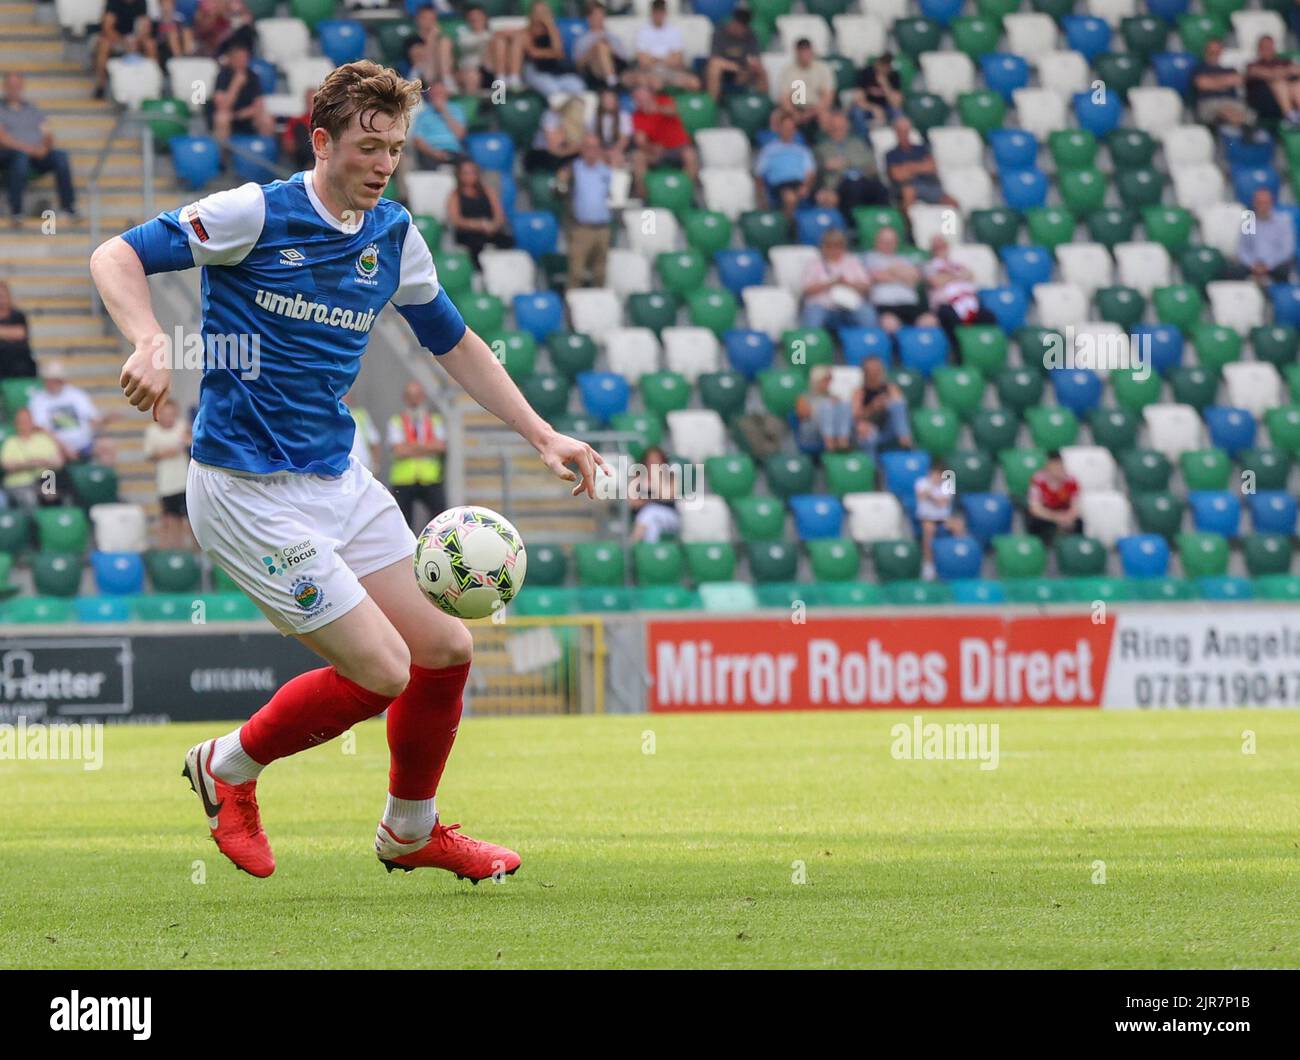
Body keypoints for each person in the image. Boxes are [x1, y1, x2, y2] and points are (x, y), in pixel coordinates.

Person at [90, 60, 604, 882]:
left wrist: (542, 435)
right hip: (243, 489)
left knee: (444, 645)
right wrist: (150, 340)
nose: (383, 164)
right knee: (383, 668)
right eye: (369, 145)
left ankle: (411, 830)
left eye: (396, 149)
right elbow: (114, 255)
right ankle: (227, 768)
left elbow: (457, 344)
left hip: (337, 477)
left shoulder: (393, 234)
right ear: (322, 140)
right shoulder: (254, 212)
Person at [0, 72, 78, 227]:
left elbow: (47, 133)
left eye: (17, 85)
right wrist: (29, 149)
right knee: (19, 158)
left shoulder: (32, 109)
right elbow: (3, 138)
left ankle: (68, 208)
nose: (14, 89)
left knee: (60, 157)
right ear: (5, 87)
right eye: (11, 86)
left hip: (35, 154)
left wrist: (44, 148)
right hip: (10, 154)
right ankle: (17, 211)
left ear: (22, 87)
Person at [387, 381, 447, 532]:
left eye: (417, 396)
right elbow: (399, 450)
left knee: (440, 521)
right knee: (403, 524)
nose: (414, 401)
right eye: (410, 396)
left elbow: (440, 447)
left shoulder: (434, 420)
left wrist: (411, 447)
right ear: (405, 398)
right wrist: (427, 447)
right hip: (404, 480)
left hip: (430, 478)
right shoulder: (396, 421)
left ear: (423, 398)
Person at [814, 107, 888, 222]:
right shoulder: (821, 149)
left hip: (864, 179)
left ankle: (883, 221)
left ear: (847, 127)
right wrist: (826, 166)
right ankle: (856, 225)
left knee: (881, 189)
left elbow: (872, 165)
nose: (839, 130)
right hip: (839, 184)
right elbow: (816, 170)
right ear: (829, 128)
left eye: (842, 126)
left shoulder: (858, 144)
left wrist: (847, 163)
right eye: (835, 127)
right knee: (852, 187)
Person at [925, 234, 998, 346]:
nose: (940, 249)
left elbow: (970, 275)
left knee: (988, 316)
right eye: (937, 247)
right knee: (949, 319)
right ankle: (958, 354)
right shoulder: (930, 266)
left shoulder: (957, 265)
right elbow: (936, 281)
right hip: (947, 305)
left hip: (969, 302)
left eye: (942, 246)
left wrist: (948, 276)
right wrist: (957, 276)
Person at [800, 227, 877, 330]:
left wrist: (847, 283)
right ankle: (811, 343)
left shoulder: (853, 261)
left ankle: (869, 342)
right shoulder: (814, 264)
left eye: (837, 246)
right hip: (822, 305)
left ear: (843, 247)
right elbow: (806, 290)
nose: (833, 249)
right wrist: (830, 283)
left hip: (850, 305)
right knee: (813, 316)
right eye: (829, 246)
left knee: (867, 314)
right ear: (823, 247)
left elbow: (866, 286)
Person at [631, 83, 699, 198]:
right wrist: (651, 148)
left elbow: (674, 110)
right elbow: (640, 140)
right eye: (637, 98)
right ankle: (645, 196)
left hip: (678, 148)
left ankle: (686, 193)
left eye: (642, 97)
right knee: (638, 157)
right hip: (658, 151)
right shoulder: (637, 116)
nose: (640, 100)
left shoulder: (664, 100)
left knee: (690, 155)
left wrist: (655, 109)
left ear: (650, 95)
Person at [564, 134, 614, 287]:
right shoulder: (573, 169)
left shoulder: (607, 172)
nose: (591, 151)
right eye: (587, 147)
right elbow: (559, 191)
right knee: (576, 272)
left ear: (600, 150)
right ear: (582, 149)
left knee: (600, 273)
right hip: (581, 228)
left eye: (595, 147)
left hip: (603, 228)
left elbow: (614, 196)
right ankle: (572, 308)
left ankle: (598, 307)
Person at [28, 360, 103, 463]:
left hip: (84, 442)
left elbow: (93, 419)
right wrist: (63, 447)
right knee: (52, 459)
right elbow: (41, 428)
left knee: (106, 448)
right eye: (48, 380)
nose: (50, 383)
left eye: (53, 380)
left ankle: (102, 477)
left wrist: (87, 436)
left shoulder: (77, 394)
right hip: (55, 446)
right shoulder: (38, 399)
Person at [864, 226, 936, 331]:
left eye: (891, 241)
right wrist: (901, 274)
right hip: (885, 305)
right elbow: (877, 276)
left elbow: (915, 277)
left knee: (930, 321)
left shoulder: (904, 259)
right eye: (885, 241)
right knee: (890, 324)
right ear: (877, 241)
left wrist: (889, 271)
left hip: (909, 304)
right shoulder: (870, 257)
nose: (888, 244)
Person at [143, 397, 192, 549]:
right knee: (171, 522)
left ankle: (197, 559)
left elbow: (189, 442)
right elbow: (151, 455)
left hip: (184, 482)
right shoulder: (152, 431)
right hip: (166, 484)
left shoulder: (182, 426)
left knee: (191, 523)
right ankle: (176, 554)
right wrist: (170, 452)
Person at [753, 111, 815, 222]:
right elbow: (759, 173)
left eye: (791, 128)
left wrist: (806, 186)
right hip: (778, 185)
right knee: (790, 198)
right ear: (779, 129)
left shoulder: (802, 150)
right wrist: (761, 194)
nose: (788, 131)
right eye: (785, 128)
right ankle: (788, 226)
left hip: (798, 184)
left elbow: (810, 172)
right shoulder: (769, 150)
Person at [208, 39, 274, 141]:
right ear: (231, 59)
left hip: (245, 116)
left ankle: (265, 151)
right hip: (229, 116)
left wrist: (241, 115)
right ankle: (223, 155)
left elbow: (259, 104)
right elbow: (222, 106)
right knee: (222, 118)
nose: (243, 61)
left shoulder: (252, 76)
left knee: (266, 119)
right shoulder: (223, 76)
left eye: (245, 58)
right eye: (239, 58)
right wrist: (236, 85)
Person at [885, 115, 955, 212]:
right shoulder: (891, 154)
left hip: (928, 185)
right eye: (900, 131)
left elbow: (932, 168)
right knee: (908, 192)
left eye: (906, 131)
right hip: (908, 187)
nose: (903, 134)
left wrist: (909, 167)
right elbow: (897, 175)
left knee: (952, 201)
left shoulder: (921, 149)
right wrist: (920, 167)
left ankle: (951, 226)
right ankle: (908, 226)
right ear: (896, 133)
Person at [448, 157, 512, 262]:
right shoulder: (455, 196)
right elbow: (456, 220)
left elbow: (499, 213)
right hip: (468, 232)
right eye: (466, 173)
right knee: (474, 244)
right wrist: (478, 225)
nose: (470, 176)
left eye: (473, 172)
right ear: (459, 175)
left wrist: (494, 225)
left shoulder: (488, 191)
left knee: (507, 240)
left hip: (489, 229)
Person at [0, 407, 63, 508]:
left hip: (43, 480)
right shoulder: (10, 442)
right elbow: (6, 466)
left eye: (27, 421)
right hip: (18, 483)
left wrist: (42, 462)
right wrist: (29, 464)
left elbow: (59, 462)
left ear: (32, 422)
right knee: (29, 498)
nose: (24, 424)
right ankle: (33, 523)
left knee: (53, 494)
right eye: (21, 421)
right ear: (16, 424)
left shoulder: (43, 439)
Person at [520, 1, 585, 97]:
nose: (541, 16)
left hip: (555, 72)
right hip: (537, 72)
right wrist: (552, 53)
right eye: (538, 12)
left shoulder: (553, 31)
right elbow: (533, 53)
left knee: (578, 86)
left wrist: (550, 25)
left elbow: (559, 52)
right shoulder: (527, 32)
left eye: (544, 12)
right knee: (553, 90)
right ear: (532, 15)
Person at [93, 0, 156, 99]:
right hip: (116, 39)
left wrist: (136, 40)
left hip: (135, 39)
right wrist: (123, 41)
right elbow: (107, 28)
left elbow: (145, 26)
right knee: (104, 45)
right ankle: (101, 84)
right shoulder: (113, 3)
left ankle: (153, 82)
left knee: (150, 45)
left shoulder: (141, 3)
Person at [1232, 186, 1295, 285]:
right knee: (1235, 271)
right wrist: (1252, 265)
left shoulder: (1283, 221)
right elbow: (1242, 248)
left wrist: (1268, 265)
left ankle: (1280, 298)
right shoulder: (1248, 221)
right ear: (1254, 203)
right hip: (1252, 265)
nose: (1263, 206)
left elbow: (1286, 250)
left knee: (1283, 271)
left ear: (1271, 203)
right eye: (1259, 202)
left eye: (1266, 202)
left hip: (1275, 265)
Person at [914, 458, 964, 580]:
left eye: (940, 474)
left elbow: (942, 503)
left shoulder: (948, 484)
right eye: (935, 473)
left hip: (943, 518)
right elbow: (921, 496)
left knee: (958, 526)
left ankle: (958, 560)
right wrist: (931, 492)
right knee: (929, 529)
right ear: (930, 473)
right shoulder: (921, 482)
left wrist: (930, 495)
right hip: (926, 518)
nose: (937, 477)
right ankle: (928, 564)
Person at [852, 356, 911, 457]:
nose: (876, 373)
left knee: (897, 405)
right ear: (866, 373)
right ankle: (873, 467)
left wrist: (886, 403)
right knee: (869, 435)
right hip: (871, 428)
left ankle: (905, 439)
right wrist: (873, 407)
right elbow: (856, 416)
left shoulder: (890, 387)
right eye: (873, 370)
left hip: (890, 428)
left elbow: (900, 407)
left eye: (878, 369)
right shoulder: (860, 392)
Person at [634, 0, 700, 91]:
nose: (658, 15)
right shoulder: (643, 32)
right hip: (651, 71)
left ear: (665, 13)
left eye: (661, 12)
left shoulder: (674, 31)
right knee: (655, 83)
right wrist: (666, 58)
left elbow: (677, 60)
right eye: (656, 12)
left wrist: (655, 59)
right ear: (652, 13)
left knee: (694, 83)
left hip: (671, 70)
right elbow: (643, 62)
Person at [705, 5, 765, 101]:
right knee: (715, 65)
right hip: (724, 71)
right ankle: (713, 104)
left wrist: (751, 65)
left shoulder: (751, 35)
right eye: (738, 25)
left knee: (760, 69)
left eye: (742, 27)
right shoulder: (719, 33)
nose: (739, 29)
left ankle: (762, 104)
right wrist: (737, 68)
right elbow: (715, 58)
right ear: (733, 22)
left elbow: (755, 57)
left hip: (742, 73)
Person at [774, 38, 835, 130]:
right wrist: (794, 113)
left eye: (807, 51)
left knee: (826, 117)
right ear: (796, 52)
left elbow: (827, 97)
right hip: (795, 108)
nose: (805, 55)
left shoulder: (823, 68)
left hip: (816, 108)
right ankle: (780, 143)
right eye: (802, 51)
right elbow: (784, 98)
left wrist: (811, 113)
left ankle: (824, 143)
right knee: (776, 116)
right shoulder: (788, 70)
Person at [1026, 450, 1082, 548]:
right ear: (1048, 466)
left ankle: (1074, 548)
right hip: (1047, 513)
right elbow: (1035, 508)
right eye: (1055, 466)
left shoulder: (1071, 481)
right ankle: (1038, 547)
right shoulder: (1038, 480)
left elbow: (1076, 506)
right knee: (1034, 522)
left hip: (1064, 512)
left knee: (1079, 523)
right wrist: (1056, 517)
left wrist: (1068, 517)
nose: (1058, 469)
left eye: (1060, 465)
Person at [1192, 39, 1252, 129]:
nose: (1214, 53)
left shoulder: (1230, 69)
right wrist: (1227, 81)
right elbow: (1203, 84)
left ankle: (1243, 134)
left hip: (1233, 103)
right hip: (1209, 103)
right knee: (1229, 112)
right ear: (1206, 51)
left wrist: (1214, 82)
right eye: (1212, 51)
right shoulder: (1200, 68)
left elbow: (1239, 80)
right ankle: (1243, 133)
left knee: (1248, 114)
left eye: (1217, 51)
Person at [795, 365, 853, 452]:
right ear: (817, 381)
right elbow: (803, 415)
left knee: (845, 404)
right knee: (827, 406)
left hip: (834, 429)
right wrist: (821, 408)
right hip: (812, 428)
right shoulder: (805, 397)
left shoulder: (832, 396)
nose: (828, 383)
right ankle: (829, 442)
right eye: (825, 380)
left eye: (829, 380)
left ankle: (843, 440)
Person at [410, 81, 466, 170]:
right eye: (435, 94)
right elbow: (417, 140)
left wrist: (444, 111)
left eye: (440, 93)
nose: (437, 97)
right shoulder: (423, 114)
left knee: (467, 166)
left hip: (453, 151)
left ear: (446, 94)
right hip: (430, 153)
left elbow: (460, 135)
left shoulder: (456, 110)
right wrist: (434, 153)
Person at [630, 445, 681, 542]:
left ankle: (633, 543)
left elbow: (667, 495)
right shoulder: (638, 478)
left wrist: (654, 481)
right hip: (644, 518)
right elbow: (632, 503)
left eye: (656, 461)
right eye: (650, 462)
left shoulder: (670, 478)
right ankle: (650, 552)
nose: (653, 465)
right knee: (652, 525)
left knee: (650, 512)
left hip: (669, 516)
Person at [574, 3, 630, 90]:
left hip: (617, 69)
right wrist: (593, 50)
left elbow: (625, 59)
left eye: (602, 15)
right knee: (600, 47)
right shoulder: (583, 40)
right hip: (594, 72)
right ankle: (612, 83)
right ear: (589, 18)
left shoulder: (612, 37)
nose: (600, 18)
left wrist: (610, 49)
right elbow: (578, 64)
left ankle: (612, 79)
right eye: (596, 15)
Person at [1245, 36, 1300, 123]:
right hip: (1265, 99)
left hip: (1290, 94)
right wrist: (1285, 71)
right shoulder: (1253, 65)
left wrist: (1281, 72)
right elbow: (1262, 73)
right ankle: (1290, 116)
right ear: (1259, 49)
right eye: (1264, 47)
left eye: (1270, 46)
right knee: (1279, 83)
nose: (1267, 49)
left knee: (1297, 85)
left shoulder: (1284, 61)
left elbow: (1296, 70)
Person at [526, 94, 587, 172]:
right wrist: (577, 148)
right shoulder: (552, 116)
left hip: (563, 156)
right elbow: (555, 149)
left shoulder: (580, 124)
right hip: (542, 157)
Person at [406, 5, 456, 91]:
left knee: (445, 42)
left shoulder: (441, 40)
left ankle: (446, 79)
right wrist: (431, 39)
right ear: (418, 19)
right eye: (425, 18)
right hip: (422, 77)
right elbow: (419, 58)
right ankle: (446, 82)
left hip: (441, 72)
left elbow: (451, 61)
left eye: (432, 19)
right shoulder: (412, 39)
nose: (428, 22)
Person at [853, 52, 903, 135]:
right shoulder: (865, 73)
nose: (884, 68)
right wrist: (874, 108)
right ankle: (864, 141)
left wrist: (885, 85)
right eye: (882, 65)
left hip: (887, 107)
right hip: (867, 107)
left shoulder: (894, 76)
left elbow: (896, 103)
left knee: (898, 113)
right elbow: (858, 99)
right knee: (857, 113)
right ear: (877, 63)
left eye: (887, 66)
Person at [453, 4, 494, 95]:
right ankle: (472, 105)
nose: (475, 20)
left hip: (491, 70)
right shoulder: (463, 35)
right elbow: (467, 45)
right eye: (472, 18)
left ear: (484, 18)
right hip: (471, 72)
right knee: (471, 76)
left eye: (478, 17)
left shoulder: (491, 32)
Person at [0, 280, 36, 380]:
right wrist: (9, 333)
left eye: (3, 296)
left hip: (19, 368)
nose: (1, 299)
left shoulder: (18, 315)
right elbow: (15, 333)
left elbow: (20, 333)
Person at [588, 88, 632, 166]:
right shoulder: (595, 117)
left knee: (615, 159)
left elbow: (624, 139)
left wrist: (613, 151)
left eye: (611, 99)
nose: (608, 102)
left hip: (618, 150)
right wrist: (602, 152)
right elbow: (592, 138)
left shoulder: (624, 116)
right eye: (606, 99)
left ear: (616, 101)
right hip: (601, 149)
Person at [152, 0, 196, 71]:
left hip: (179, 43)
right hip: (162, 45)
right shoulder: (156, 20)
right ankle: (180, 62)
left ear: (173, 6)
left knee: (184, 33)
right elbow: (154, 37)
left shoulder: (179, 19)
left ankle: (186, 59)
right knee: (172, 35)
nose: (167, 7)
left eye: (169, 4)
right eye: (164, 5)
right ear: (160, 6)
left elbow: (184, 32)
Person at [282, 89, 317, 172]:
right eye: (309, 100)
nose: (311, 103)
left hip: (321, 155)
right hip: (302, 157)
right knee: (301, 129)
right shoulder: (296, 121)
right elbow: (288, 144)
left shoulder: (327, 121)